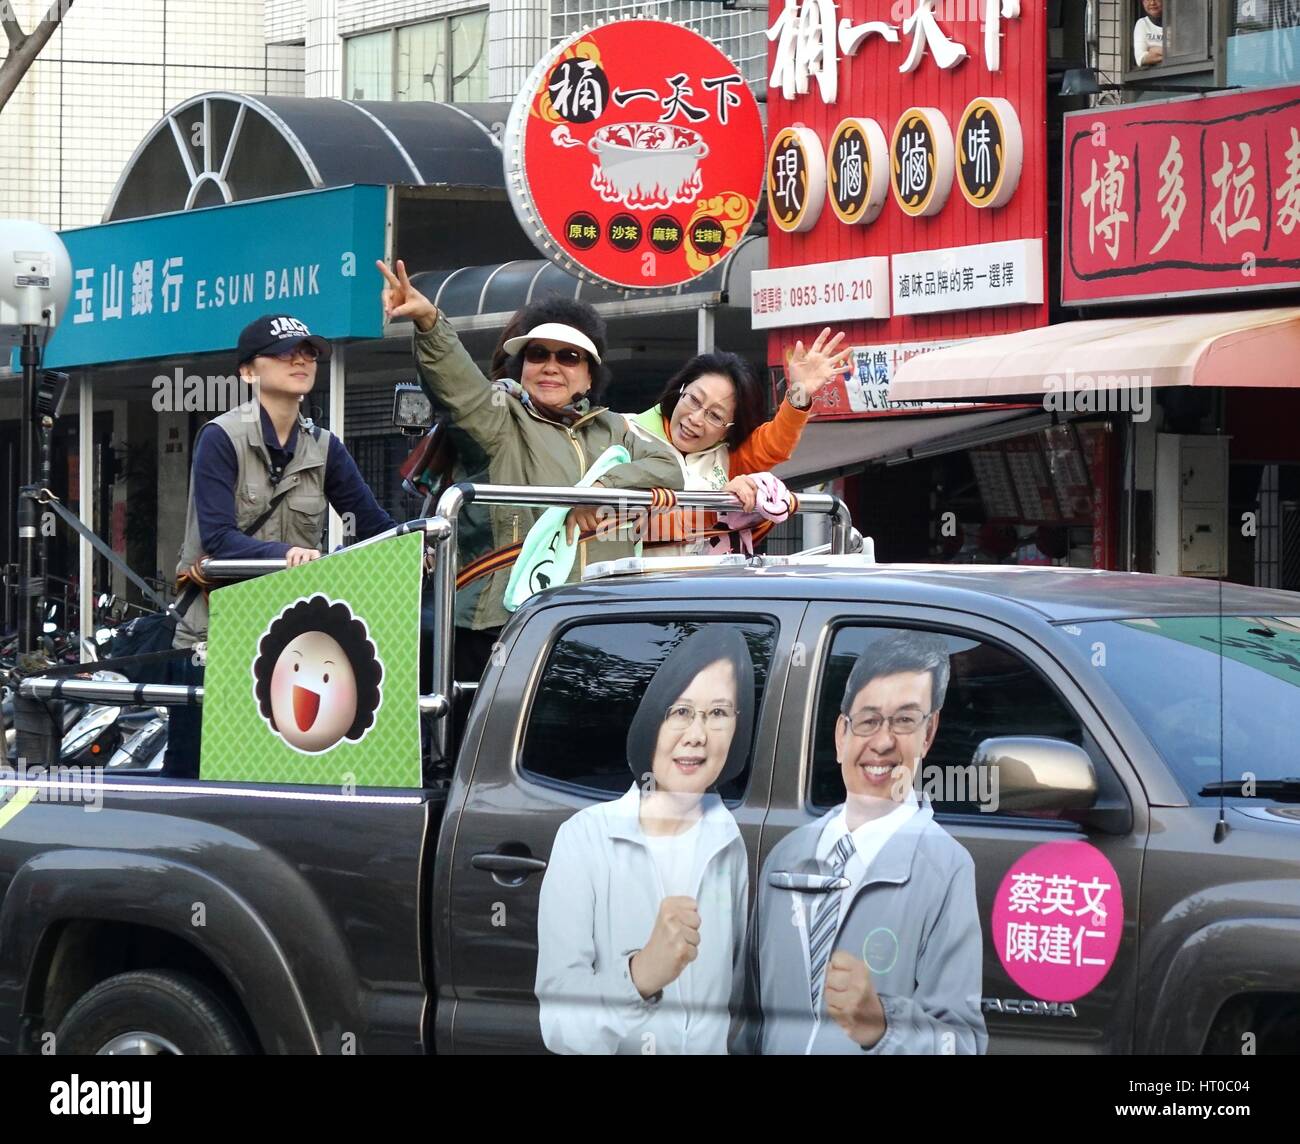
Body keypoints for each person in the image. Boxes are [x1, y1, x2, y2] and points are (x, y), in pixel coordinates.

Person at [378, 259, 684, 678]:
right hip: (499, 625)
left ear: (590, 377)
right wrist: (431, 322)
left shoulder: (615, 429)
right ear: (521, 365)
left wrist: (599, 490)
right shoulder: (498, 416)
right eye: (538, 353)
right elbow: (459, 389)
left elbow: (669, 468)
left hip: (593, 624)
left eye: (569, 356)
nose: (551, 365)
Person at [737, 630, 987, 1055]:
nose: (884, 741)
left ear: (929, 733)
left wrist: (882, 1026)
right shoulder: (789, 857)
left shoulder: (946, 868)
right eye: (868, 720)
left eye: (905, 720)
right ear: (841, 735)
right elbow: (749, 1021)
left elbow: (962, 1043)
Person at [167, 313, 396, 776]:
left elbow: (371, 522)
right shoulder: (220, 437)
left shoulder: (325, 446)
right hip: (213, 635)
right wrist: (285, 555)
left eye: (308, 351)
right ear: (248, 371)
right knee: (194, 775)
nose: (301, 359)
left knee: (273, 776)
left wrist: (423, 543)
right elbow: (217, 537)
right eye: (285, 352)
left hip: (287, 641)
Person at [534, 628, 754, 1054]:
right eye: (681, 711)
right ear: (654, 718)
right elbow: (559, 1027)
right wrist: (640, 976)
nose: (697, 734)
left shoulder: (728, 844)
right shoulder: (585, 840)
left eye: (719, 713)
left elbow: (734, 1008)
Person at [627, 331, 852, 556]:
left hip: (707, 586)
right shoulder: (624, 433)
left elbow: (775, 443)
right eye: (694, 399)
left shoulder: (727, 457)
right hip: (633, 588)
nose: (695, 419)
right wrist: (720, 508)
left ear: (730, 429)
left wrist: (800, 391)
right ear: (681, 390)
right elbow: (614, 526)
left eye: (715, 416)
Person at [1134, 0, 1163, 67]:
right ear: (1143, 2)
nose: (1152, 3)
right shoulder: (1142, 23)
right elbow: (1141, 59)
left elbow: (1180, 55)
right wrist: (1168, 55)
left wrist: (1154, 50)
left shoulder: (1177, 22)